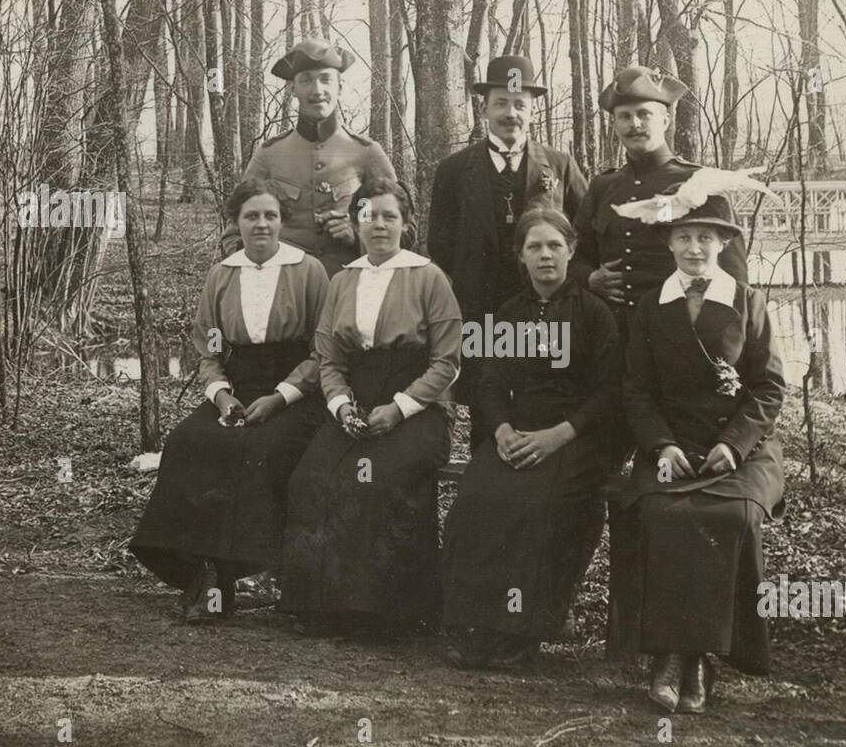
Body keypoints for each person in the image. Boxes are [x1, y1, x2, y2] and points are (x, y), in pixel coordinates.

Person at [614, 185, 786, 715]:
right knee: (661, 513)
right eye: (685, 237)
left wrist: (733, 446)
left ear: (722, 243)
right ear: (670, 244)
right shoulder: (650, 307)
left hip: (742, 448)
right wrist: (661, 445)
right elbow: (636, 391)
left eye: (705, 238)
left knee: (731, 515)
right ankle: (672, 657)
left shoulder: (748, 301)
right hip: (672, 445)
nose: (694, 248)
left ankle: (701, 656)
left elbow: (769, 389)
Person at [130, 179, 330, 622]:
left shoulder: (309, 271)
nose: (262, 224)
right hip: (238, 386)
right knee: (189, 443)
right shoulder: (222, 275)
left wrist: (280, 398)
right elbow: (209, 351)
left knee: (258, 450)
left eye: (270, 216)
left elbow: (323, 351)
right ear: (236, 222)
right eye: (251, 216)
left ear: (282, 221)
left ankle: (241, 574)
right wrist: (221, 397)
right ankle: (205, 573)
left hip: (298, 390)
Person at [279, 178, 462, 636]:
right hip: (356, 402)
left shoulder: (429, 276)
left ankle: (387, 613)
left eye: (388, 216)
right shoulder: (344, 280)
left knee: (373, 479)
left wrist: (399, 409)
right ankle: (320, 606)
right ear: (357, 223)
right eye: (368, 215)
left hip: (419, 406)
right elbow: (329, 358)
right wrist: (341, 406)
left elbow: (447, 362)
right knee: (312, 478)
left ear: (406, 224)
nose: (378, 224)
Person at [441, 208, 619, 668]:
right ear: (520, 256)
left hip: (574, 436)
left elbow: (607, 393)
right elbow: (491, 385)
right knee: (477, 496)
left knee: (537, 506)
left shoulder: (595, 314)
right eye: (534, 247)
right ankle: (473, 623)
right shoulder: (509, 313)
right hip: (516, 431)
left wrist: (557, 436)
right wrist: (501, 431)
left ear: (571, 251)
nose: (545, 256)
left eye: (555, 246)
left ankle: (521, 632)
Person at [428, 55, 587, 449]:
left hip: (546, 311)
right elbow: (440, 246)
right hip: (482, 313)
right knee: (489, 405)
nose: (510, 114)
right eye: (501, 103)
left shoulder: (559, 166)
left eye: (520, 104)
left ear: (532, 110)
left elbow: (584, 234)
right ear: (484, 109)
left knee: (546, 395)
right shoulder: (453, 171)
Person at [571, 66, 749, 337]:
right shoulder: (602, 186)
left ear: (665, 121)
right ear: (615, 124)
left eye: (644, 114)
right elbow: (575, 257)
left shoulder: (698, 182)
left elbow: (734, 276)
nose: (635, 124)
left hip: (678, 334)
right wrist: (590, 278)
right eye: (625, 117)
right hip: (613, 335)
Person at [220, 38, 398, 276]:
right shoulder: (269, 154)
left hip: (349, 290)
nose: (317, 91)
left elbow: (404, 231)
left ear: (340, 87)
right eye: (306, 80)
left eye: (326, 79)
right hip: (285, 292)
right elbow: (233, 233)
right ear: (293, 89)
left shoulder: (367, 152)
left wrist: (357, 237)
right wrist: (259, 266)